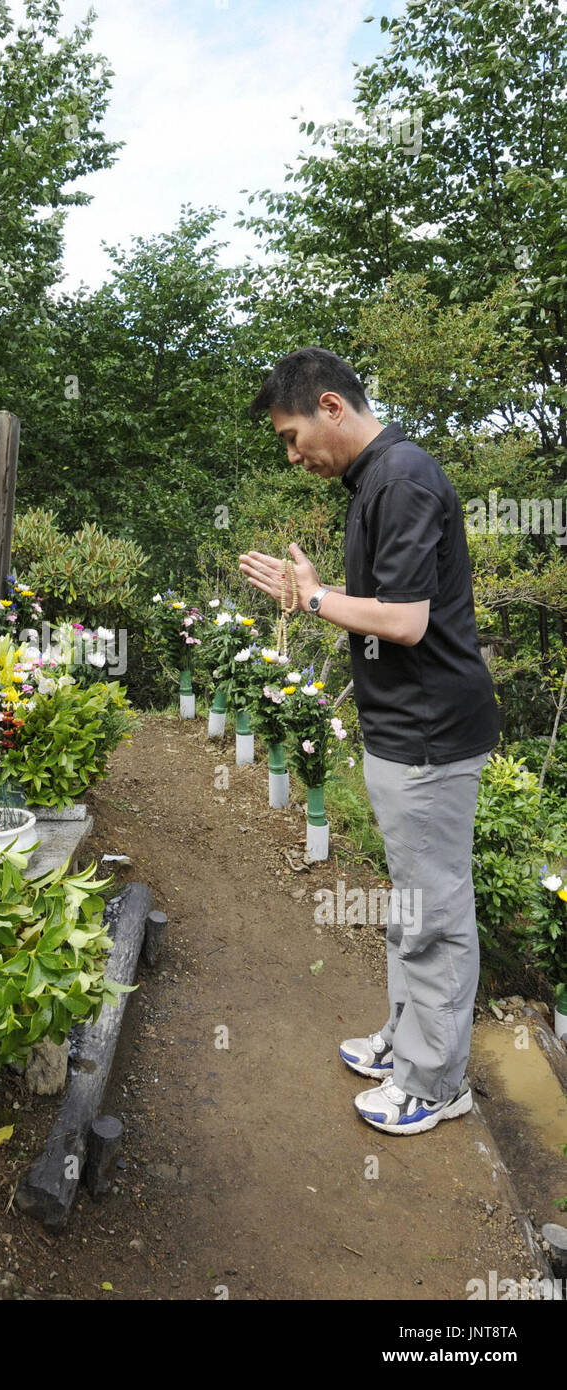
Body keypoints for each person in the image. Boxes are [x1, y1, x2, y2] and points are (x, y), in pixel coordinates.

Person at [239, 347, 500, 1136]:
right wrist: (321, 590)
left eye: (291, 437)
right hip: (402, 732)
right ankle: (406, 1039)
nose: (293, 456)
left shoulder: (402, 478)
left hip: (430, 736)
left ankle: (436, 1080)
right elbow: (386, 601)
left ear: (330, 406)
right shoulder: (374, 482)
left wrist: (314, 596)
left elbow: (407, 621)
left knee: (435, 911)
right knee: (410, 906)